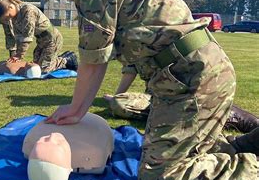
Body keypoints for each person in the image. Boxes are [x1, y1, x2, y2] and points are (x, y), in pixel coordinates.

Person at [37, 0, 258, 180]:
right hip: (193, 74)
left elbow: (94, 60)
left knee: (160, 178)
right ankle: (249, 145)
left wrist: (75, 110)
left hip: (191, 81)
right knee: (177, 149)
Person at [104, 69, 259, 133]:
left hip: (184, 91)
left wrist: (116, 97)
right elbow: (131, 69)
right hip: (160, 96)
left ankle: (230, 114)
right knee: (119, 104)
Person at [0, 0, 78, 73]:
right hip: (41, 42)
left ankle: (67, 59)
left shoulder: (28, 10)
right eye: (7, 19)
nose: (9, 19)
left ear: (10, 7)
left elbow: (27, 36)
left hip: (52, 40)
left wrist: (19, 55)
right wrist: (16, 54)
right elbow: (18, 37)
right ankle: (56, 58)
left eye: (8, 16)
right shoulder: (14, 17)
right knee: (35, 66)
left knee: (43, 69)